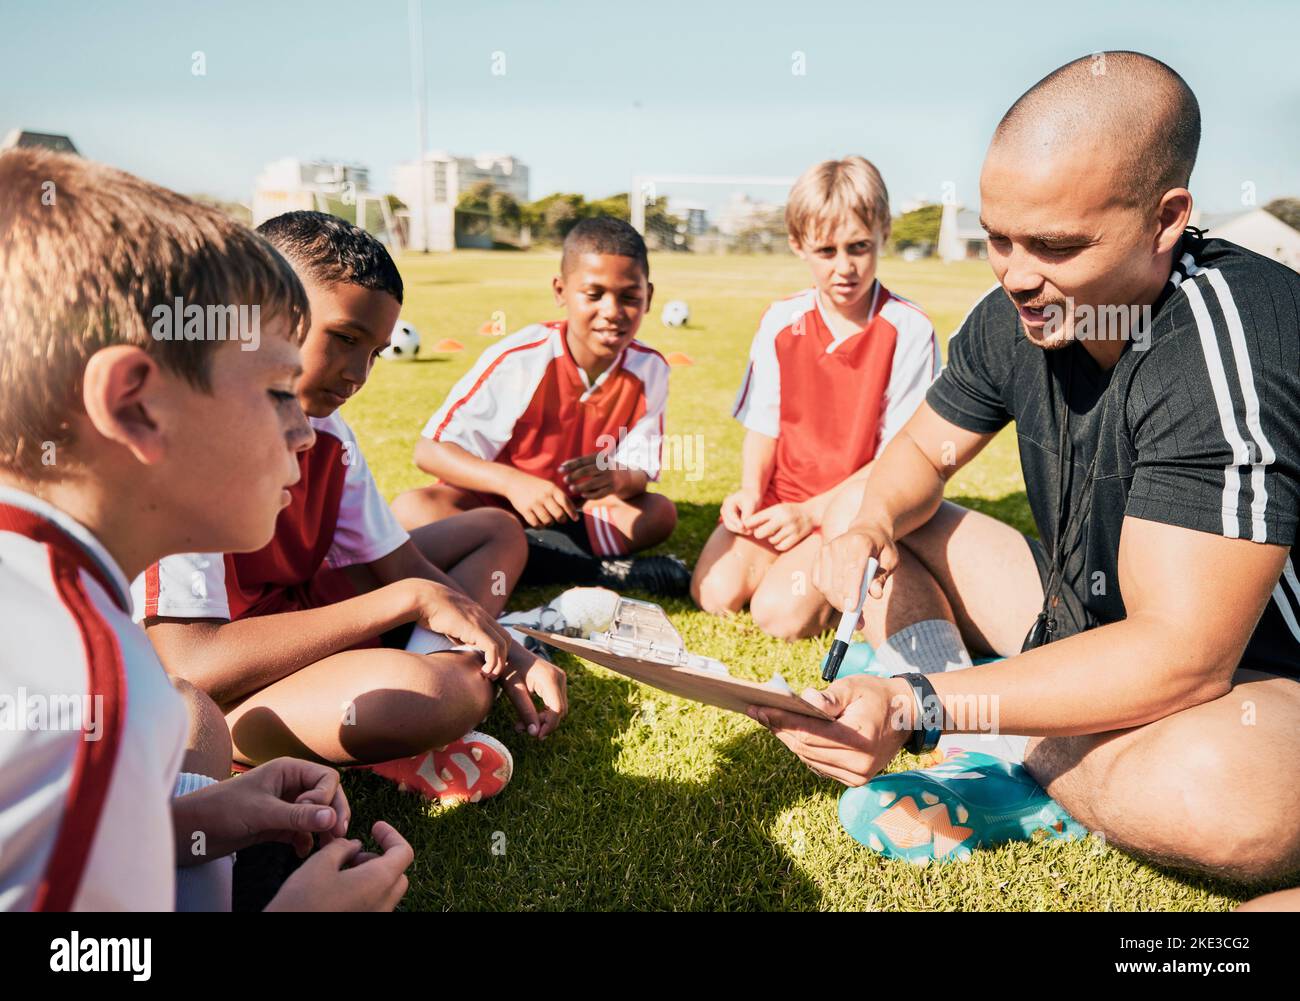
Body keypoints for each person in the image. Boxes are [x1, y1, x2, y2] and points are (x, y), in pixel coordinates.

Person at [751, 52, 1300, 886]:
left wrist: (919, 702)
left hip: (1249, 685)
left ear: (1166, 219)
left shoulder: (1231, 339)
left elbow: (1184, 656)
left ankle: (1008, 747)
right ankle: (1024, 740)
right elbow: (916, 459)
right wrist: (866, 523)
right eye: (997, 237)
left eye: (1054, 245)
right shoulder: (1024, 307)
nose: (1015, 275)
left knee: (1231, 795)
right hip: (1086, 636)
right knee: (894, 519)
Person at [0, 149, 410, 911]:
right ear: (135, 403)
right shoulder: (81, 685)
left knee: (195, 721)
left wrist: (195, 819)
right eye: (277, 390)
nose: (304, 433)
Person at [138, 211, 567, 806]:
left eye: (376, 352)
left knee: (496, 532)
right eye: (344, 339)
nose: (359, 373)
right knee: (440, 693)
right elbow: (192, 662)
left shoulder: (328, 428)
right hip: (214, 690)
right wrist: (408, 604)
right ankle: (270, 741)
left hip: (295, 620)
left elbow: (403, 563)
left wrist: (513, 654)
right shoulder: (186, 438)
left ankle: (425, 676)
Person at [691, 156, 940, 639]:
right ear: (797, 244)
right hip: (784, 497)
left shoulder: (909, 329)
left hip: (854, 508)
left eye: (859, 247)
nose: (844, 267)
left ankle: (850, 563)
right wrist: (750, 492)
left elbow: (901, 455)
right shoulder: (780, 320)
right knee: (715, 594)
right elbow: (764, 425)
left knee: (778, 616)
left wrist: (812, 515)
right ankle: (788, 559)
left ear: (884, 232)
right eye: (826, 251)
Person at [391, 216, 690, 596]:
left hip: (571, 514)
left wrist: (616, 477)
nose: (613, 311)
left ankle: (525, 558)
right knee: (413, 510)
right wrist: (514, 483)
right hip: (490, 508)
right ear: (561, 290)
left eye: (629, 297)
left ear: (649, 296)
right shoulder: (522, 357)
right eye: (594, 295)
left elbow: (639, 471)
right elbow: (430, 451)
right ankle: (593, 571)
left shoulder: (650, 368)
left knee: (658, 514)